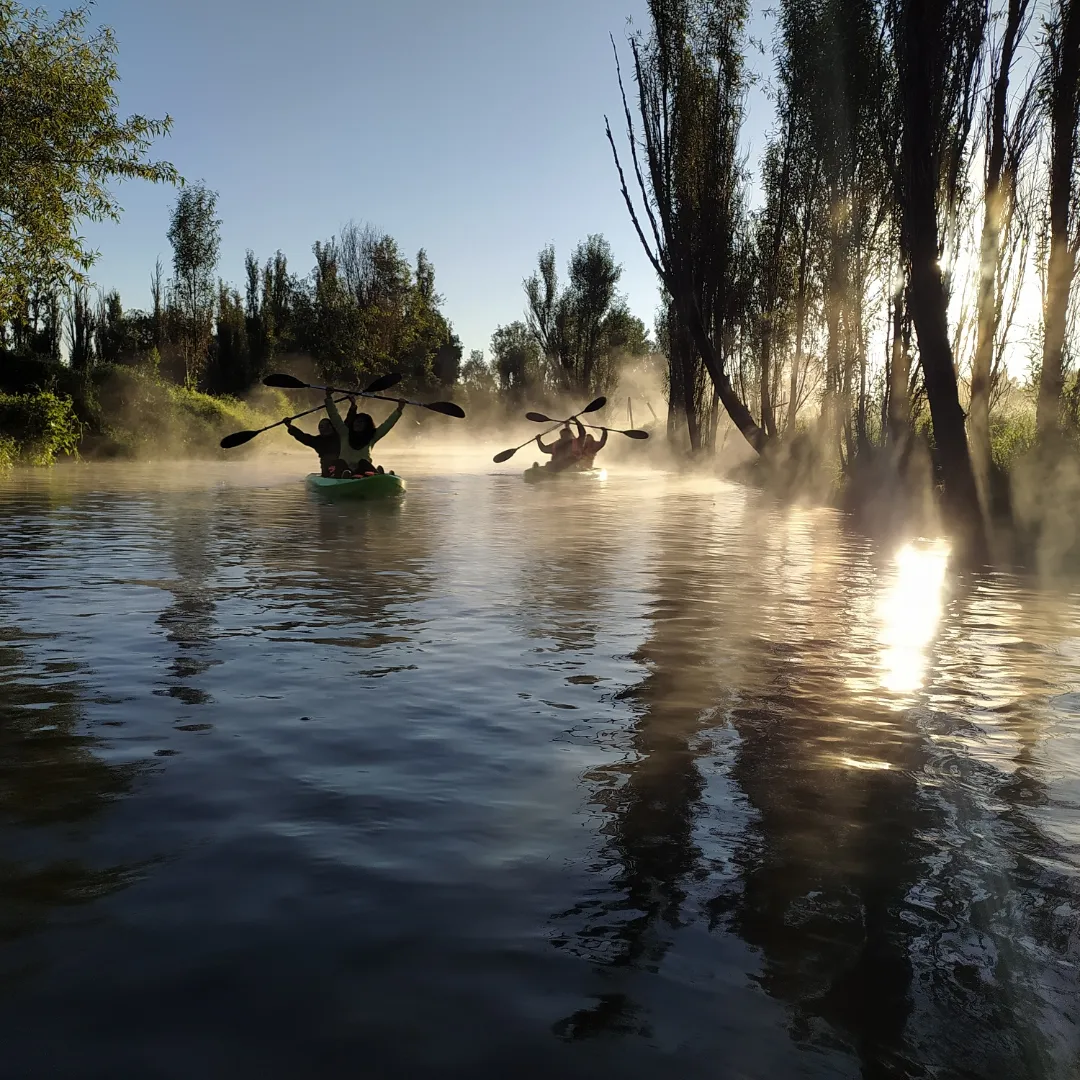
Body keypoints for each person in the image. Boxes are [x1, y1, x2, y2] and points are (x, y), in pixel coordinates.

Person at [324, 390, 405, 476]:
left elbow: (387, 424)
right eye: (356, 421)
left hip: (361, 471)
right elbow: (334, 416)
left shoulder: (372, 436)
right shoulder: (344, 432)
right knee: (340, 462)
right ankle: (347, 476)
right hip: (344, 469)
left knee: (363, 462)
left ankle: (376, 474)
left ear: (367, 425)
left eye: (361, 422)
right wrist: (329, 397)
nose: (357, 424)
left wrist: (399, 409)